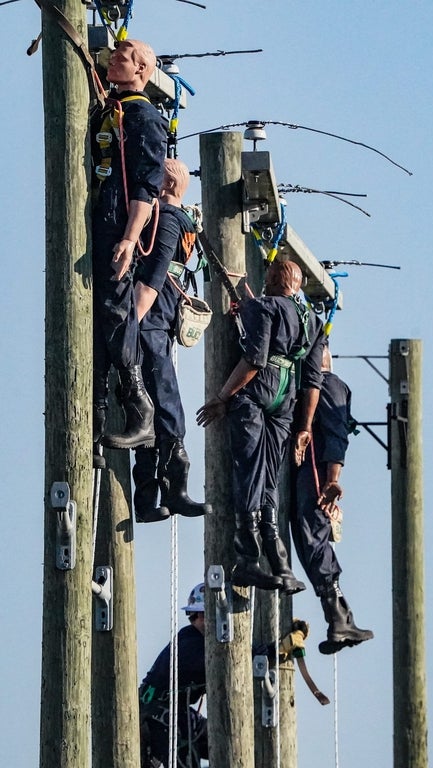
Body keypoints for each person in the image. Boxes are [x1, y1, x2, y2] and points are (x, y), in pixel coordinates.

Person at [196, 260, 326, 595]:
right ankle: (280, 562)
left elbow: (254, 358)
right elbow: (313, 382)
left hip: (255, 394)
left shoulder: (264, 307)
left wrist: (222, 397)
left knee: (249, 470)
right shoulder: (312, 321)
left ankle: (248, 559)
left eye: (267, 278)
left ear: (271, 280)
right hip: (286, 402)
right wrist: (305, 427)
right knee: (269, 477)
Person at [91, 38, 168, 451]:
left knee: (117, 312)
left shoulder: (144, 116)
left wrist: (129, 237)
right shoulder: (111, 108)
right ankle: (98, 414)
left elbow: (147, 185)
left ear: (141, 70)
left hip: (118, 222)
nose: (111, 60)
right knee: (99, 314)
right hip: (99, 218)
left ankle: (141, 411)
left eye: (120, 58)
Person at [131, 158, 211, 523]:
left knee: (160, 404)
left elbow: (154, 273)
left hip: (151, 321)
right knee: (154, 405)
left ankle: (166, 491)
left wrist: (133, 317)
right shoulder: (178, 221)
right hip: (156, 323)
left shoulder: (167, 220)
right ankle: (154, 495)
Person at [291, 346, 374, 655]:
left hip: (317, 473)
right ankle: (340, 618)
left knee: (313, 538)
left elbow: (337, 432)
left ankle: (339, 616)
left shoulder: (329, 384)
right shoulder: (304, 386)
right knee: (306, 540)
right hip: (305, 474)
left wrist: (332, 479)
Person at [139, 583, 209, 768]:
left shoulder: (197, 641)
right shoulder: (192, 645)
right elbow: (232, 658)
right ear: (197, 616)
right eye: (202, 615)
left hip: (177, 714)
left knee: (228, 740)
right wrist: (271, 649)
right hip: (159, 717)